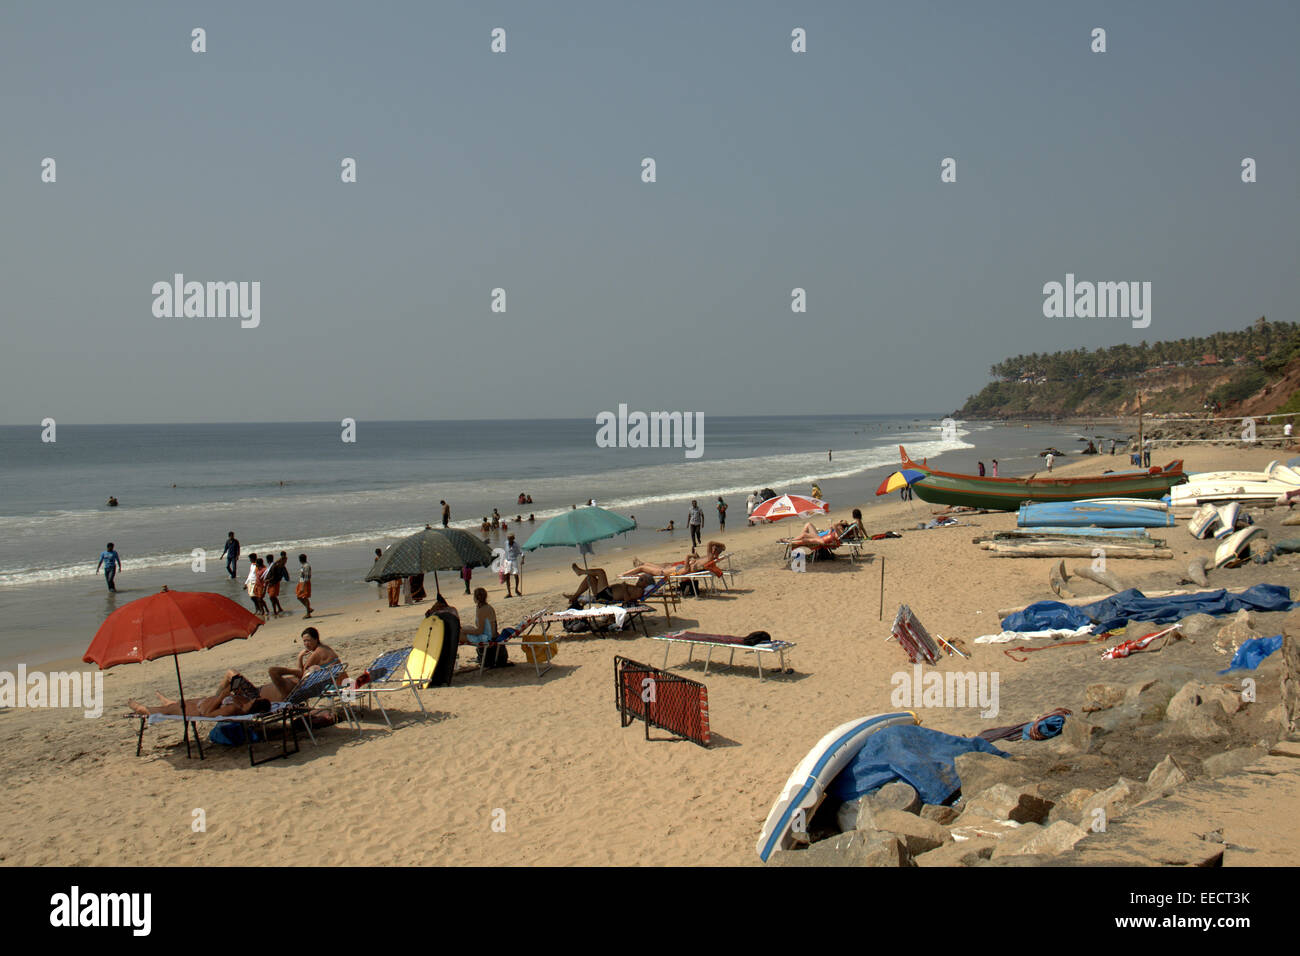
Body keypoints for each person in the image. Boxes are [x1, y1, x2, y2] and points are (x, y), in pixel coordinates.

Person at [128, 670, 270, 719]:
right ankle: (169, 702)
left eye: (252, 702)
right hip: (203, 703)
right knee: (182, 703)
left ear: (252, 705)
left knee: (172, 710)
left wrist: (222, 696)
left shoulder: (234, 709)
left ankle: (145, 710)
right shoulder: (243, 702)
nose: (250, 700)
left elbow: (207, 715)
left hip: (199, 710)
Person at [267, 627, 340, 699]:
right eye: (304, 641)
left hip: (329, 684)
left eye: (308, 640)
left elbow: (301, 673)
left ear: (316, 639)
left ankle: (285, 697)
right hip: (336, 679)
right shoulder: (325, 648)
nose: (306, 644)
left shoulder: (316, 653)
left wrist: (300, 657)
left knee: (274, 672)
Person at [464, 587, 508, 667]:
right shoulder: (485, 607)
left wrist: (464, 631)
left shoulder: (482, 610)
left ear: (476, 598)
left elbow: (479, 631)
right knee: (465, 628)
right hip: (490, 634)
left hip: (488, 638)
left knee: (461, 634)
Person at [295, 553, 314, 618]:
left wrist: (303, 587)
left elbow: (306, 577)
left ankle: (308, 613)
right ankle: (308, 609)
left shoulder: (306, 566)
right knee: (299, 596)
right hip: (301, 582)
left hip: (304, 583)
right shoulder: (304, 565)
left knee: (304, 597)